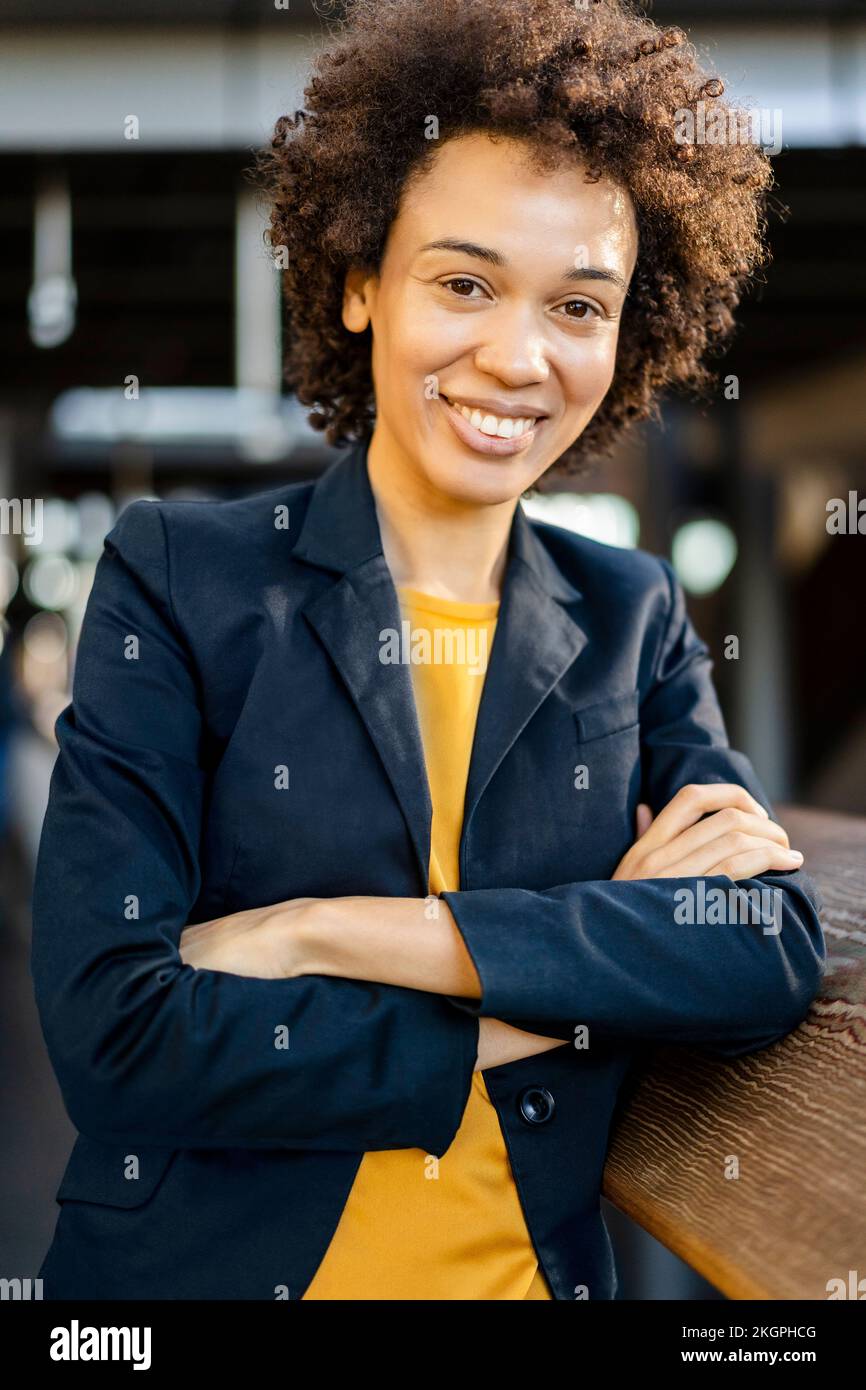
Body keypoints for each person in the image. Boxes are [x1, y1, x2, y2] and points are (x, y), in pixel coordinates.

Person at [32, 0, 825, 1301]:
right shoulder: (181, 577)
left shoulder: (624, 614)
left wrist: (317, 930)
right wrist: (580, 991)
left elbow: (759, 939)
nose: (515, 356)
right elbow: (117, 1031)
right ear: (356, 281)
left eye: (578, 303)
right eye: (462, 282)